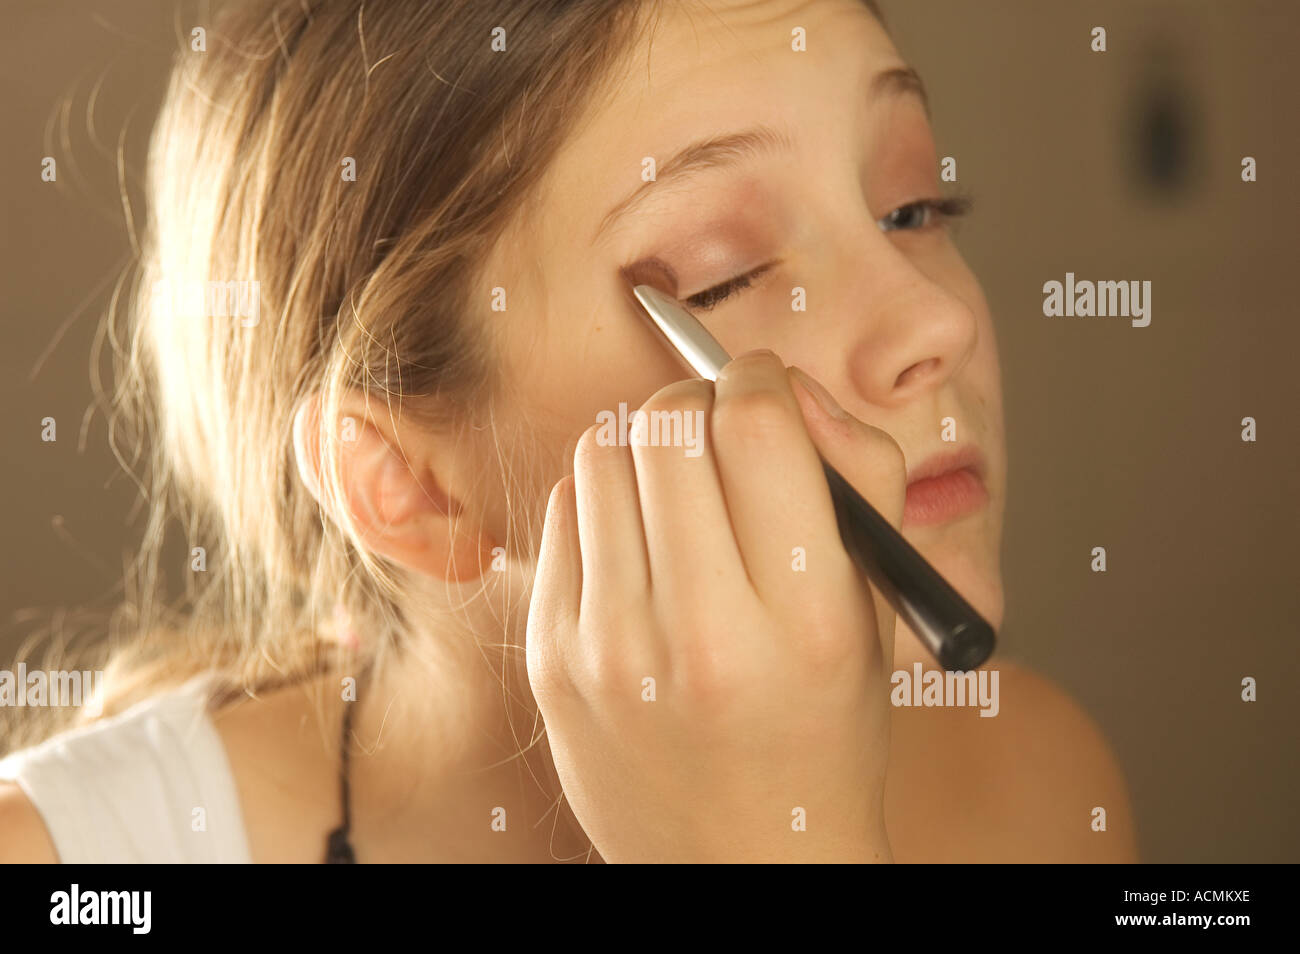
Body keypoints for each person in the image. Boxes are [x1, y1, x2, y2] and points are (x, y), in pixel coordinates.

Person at [0, 0, 1136, 863]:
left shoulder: (1025, 786)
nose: (934, 318)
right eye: (727, 278)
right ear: (407, 485)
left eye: (911, 207)